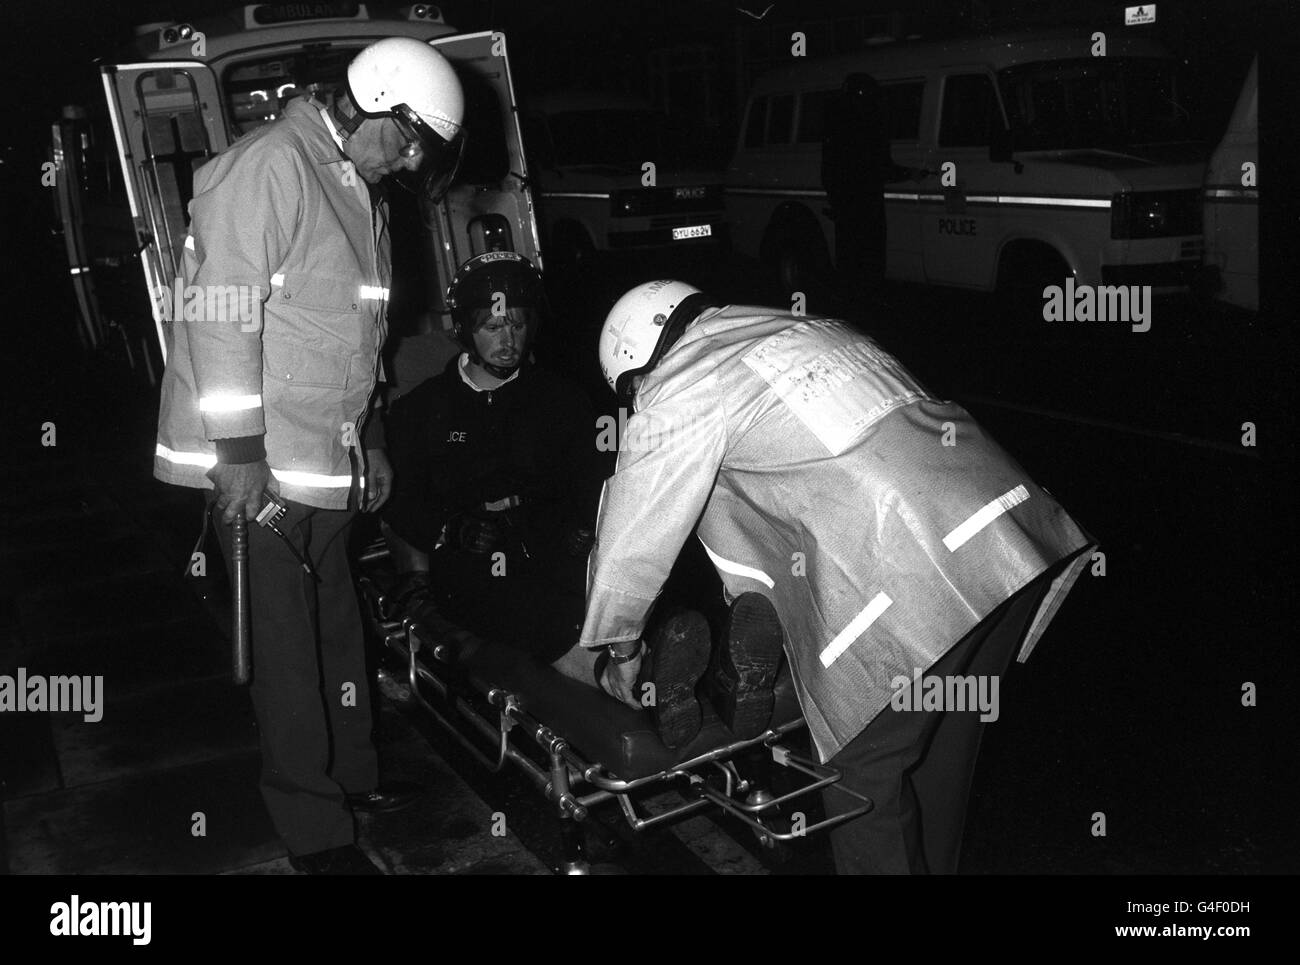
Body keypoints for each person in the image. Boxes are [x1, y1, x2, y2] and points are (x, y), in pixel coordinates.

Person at [560, 280, 1096, 874]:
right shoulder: (807, 329)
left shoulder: (682, 381)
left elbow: (635, 529)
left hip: (920, 569)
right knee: (943, 750)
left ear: (635, 371)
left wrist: (623, 642)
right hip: (1009, 542)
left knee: (861, 778)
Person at [152, 37, 467, 875]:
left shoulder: (352, 187)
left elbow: (354, 334)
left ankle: (352, 776)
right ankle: (315, 832)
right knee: (286, 653)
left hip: (324, 458)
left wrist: (370, 437)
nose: (406, 162)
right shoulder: (270, 167)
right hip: (265, 467)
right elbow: (221, 316)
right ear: (370, 100)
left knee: (337, 628)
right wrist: (241, 455)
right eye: (404, 141)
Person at [382, 252, 604, 663]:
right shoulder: (422, 409)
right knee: (546, 614)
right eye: (493, 326)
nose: (508, 341)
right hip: (473, 562)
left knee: (615, 596)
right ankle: (614, 679)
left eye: (517, 325)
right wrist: (450, 527)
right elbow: (399, 500)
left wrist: (584, 523)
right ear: (465, 329)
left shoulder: (562, 400)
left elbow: (595, 476)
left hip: (553, 546)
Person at [821, 74, 913, 300]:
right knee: (868, 270)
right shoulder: (869, 127)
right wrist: (909, 173)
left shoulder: (837, 127)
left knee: (851, 270)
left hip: (848, 211)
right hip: (866, 209)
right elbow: (879, 168)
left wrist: (837, 202)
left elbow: (829, 173)